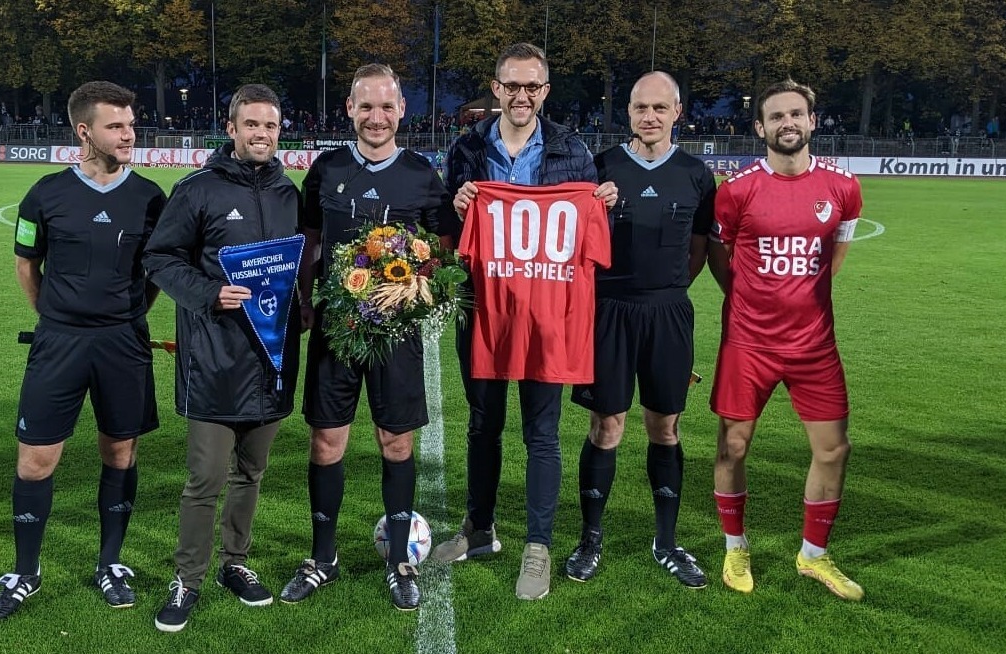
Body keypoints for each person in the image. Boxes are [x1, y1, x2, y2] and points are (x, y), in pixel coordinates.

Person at [429, 42, 617, 601]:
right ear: (496, 88)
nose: (521, 95)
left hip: (547, 314)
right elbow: (444, 222)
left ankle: (537, 545)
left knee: (542, 432)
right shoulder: (465, 150)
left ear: (546, 92)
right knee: (483, 424)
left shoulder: (573, 151)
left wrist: (604, 201)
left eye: (532, 86)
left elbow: (588, 223)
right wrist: (458, 203)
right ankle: (480, 530)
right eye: (512, 85)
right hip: (483, 306)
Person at [0, 81, 167, 621]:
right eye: (116, 125)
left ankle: (110, 562)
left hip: (123, 343)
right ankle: (25, 571)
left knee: (120, 452)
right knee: (36, 459)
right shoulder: (45, 193)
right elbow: (26, 265)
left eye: (131, 124)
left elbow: (155, 272)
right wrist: (56, 319)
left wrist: (130, 314)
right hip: (58, 342)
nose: (128, 134)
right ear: (83, 131)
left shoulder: (151, 197)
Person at [279, 63, 454, 612]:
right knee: (327, 441)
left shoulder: (423, 175)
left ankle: (400, 560)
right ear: (349, 109)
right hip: (336, 331)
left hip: (396, 337)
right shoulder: (326, 169)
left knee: (395, 443)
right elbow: (307, 242)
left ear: (402, 111)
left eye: (386, 107)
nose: (376, 117)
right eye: (365, 106)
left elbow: (445, 253)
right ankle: (322, 558)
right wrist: (305, 302)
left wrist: (418, 294)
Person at [142, 83, 303, 633]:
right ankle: (187, 579)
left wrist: (300, 305)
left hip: (272, 357)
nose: (262, 134)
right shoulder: (197, 190)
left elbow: (293, 267)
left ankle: (236, 563)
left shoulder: (288, 191)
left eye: (271, 126)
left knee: (252, 472)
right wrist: (210, 293)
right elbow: (159, 259)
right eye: (251, 125)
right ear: (231, 129)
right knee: (205, 478)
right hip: (212, 358)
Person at [707, 79, 864, 601]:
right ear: (760, 127)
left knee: (833, 448)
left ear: (813, 121)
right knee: (732, 446)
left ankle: (813, 556)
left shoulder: (844, 188)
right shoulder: (737, 190)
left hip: (814, 345)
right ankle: (735, 546)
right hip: (747, 343)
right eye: (776, 117)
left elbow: (832, 261)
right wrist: (751, 300)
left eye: (796, 114)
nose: (787, 123)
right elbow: (720, 259)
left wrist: (801, 299)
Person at [565, 71, 715, 588]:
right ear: (627, 112)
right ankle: (590, 537)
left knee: (665, 428)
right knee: (606, 426)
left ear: (677, 112)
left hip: (669, 313)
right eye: (638, 108)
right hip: (608, 312)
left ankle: (667, 541)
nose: (648, 117)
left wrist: (668, 290)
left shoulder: (697, 174)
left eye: (658, 108)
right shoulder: (600, 167)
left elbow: (698, 249)